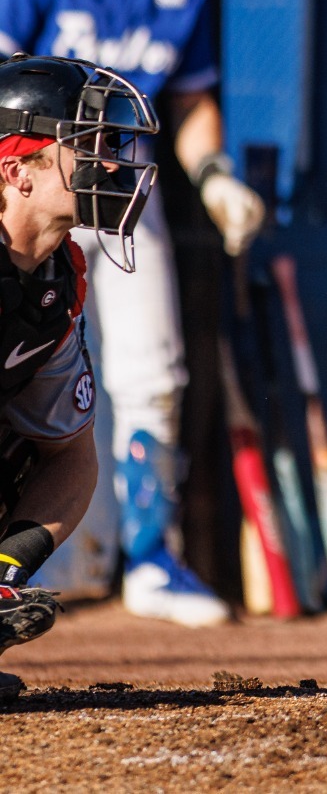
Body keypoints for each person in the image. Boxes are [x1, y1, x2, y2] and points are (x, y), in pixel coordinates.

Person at [0, 0, 268, 627]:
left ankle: (150, 554)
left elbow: (190, 101)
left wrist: (215, 176)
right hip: (31, 190)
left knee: (150, 370)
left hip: (105, 199)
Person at [0, 54, 161, 692]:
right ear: (16, 171)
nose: (112, 163)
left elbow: (69, 454)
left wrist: (6, 571)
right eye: (83, 146)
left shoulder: (58, 277)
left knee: (28, 447)